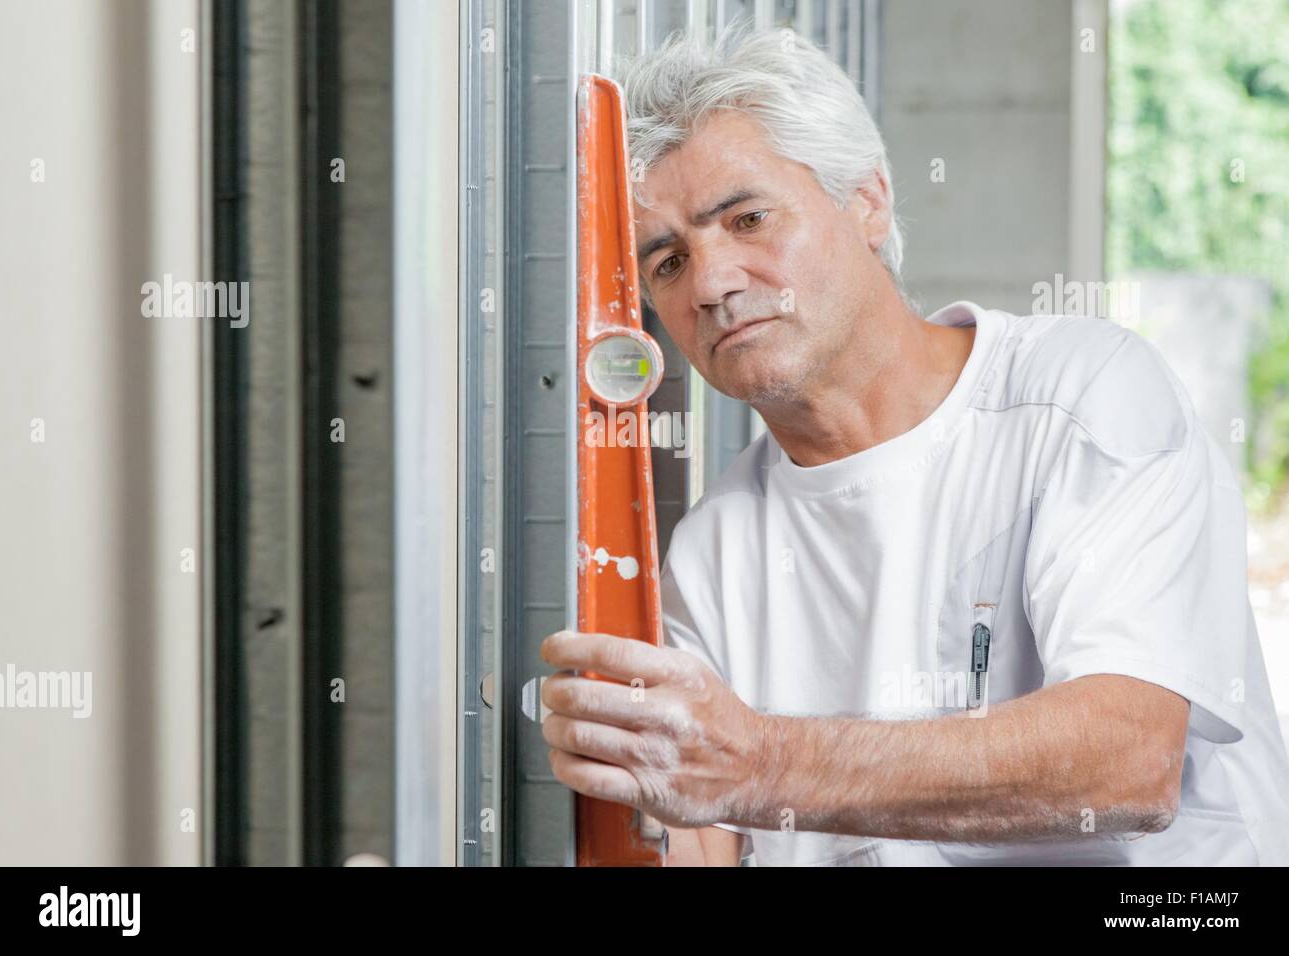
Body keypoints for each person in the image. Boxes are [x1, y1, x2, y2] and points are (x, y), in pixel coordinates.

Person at [539, 22, 1289, 866]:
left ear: (869, 200)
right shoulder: (713, 557)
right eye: (667, 263)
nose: (712, 283)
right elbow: (697, 834)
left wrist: (755, 760)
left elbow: (1127, 761)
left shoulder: (1082, 399)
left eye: (748, 219)